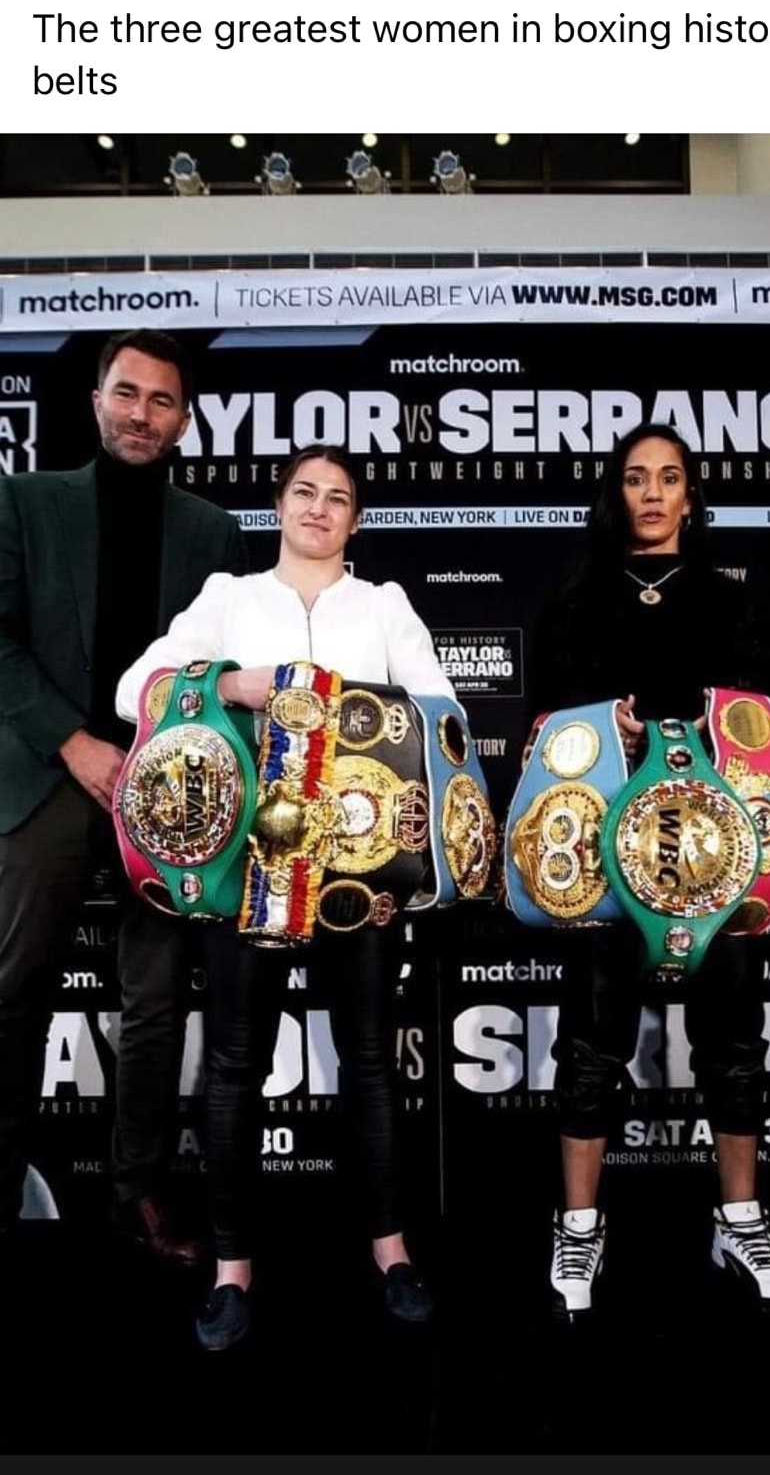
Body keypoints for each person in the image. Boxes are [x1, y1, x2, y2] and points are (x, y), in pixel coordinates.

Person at [116, 443, 455, 1350]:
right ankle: (233, 1267)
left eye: (337, 498)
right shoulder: (230, 597)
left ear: (355, 519)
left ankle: (391, 1249)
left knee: (372, 1062)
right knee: (234, 1066)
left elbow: (442, 710)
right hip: (251, 863)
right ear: (279, 504)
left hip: (362, 870)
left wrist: (365, 714)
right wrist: (231, 686)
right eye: (304, 492)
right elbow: (132, 690)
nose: (318, 509)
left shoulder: (383, 606)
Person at [527, 421, 770, 1317]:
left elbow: (760, 725)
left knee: (734, 1040)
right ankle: (579, 1227)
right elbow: (544, 729)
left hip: (714, 857)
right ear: (616, 492)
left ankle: (741, 1215)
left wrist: (692, 731)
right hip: (601, 854)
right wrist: (608, 730)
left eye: (667, 478)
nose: (650, 492)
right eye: (635, 478)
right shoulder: (572, 598)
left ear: (689, 495)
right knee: (592, 1044)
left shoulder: (729, 599)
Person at [0, 328, 246, 1265]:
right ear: (97, 400)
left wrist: (156, 766)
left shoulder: (213, 533)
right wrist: (74, 744)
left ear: (184, 418)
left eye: (162, 401)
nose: (143, 414)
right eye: (127, 393)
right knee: (12, 991)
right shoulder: (25, 504)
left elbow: (219, 674)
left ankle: (137, 1194)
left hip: (169, 792)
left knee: (154, 1002)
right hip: (49, 774)